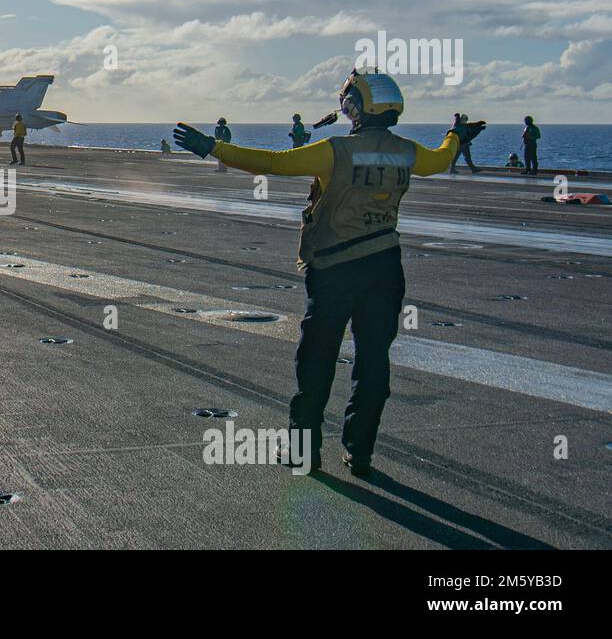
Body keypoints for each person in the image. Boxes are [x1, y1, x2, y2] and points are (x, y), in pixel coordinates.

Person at [173, 68, 467, 476]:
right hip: (384, 265)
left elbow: (273, 163)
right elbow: (441, 160)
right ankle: (359, 451)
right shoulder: (407, 151)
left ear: (357, 107)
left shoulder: (335, 151)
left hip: (333, 267)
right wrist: (456, 133)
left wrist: (213, 148)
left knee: (316, 361)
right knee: (374, 362)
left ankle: (303, 451)